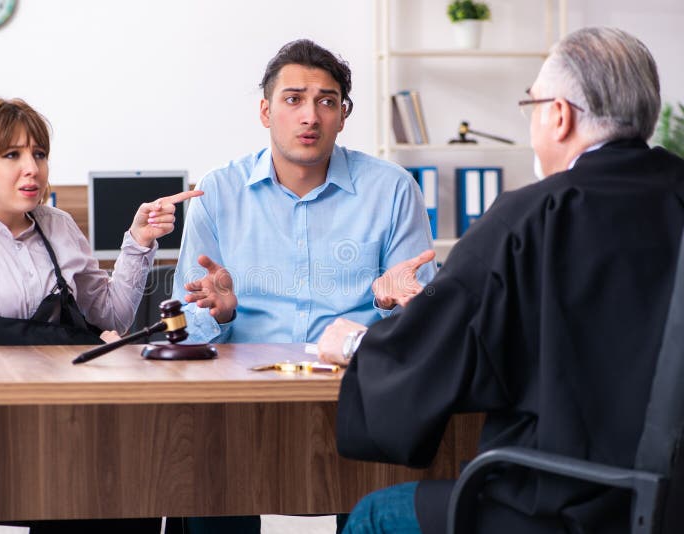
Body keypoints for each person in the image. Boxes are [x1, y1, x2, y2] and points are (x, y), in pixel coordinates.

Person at [317, 27, 684, 534]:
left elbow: (440, 360)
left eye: (530, 105)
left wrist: (355, 341)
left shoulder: (531, 217)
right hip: (673, 506)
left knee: (372, 517)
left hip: (558, 504)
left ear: (559, 115)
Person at [172, 39, 437, 533]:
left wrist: (389, 305)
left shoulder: (393, 189)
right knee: (200, 474)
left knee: (386, 498)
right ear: (265, 111)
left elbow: (422, 325)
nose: (310, 115)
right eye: (293, 99)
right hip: (240, 402)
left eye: (327, 101)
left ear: (343, 114)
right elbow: (188, 330)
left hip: (357, 395)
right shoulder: (217, 193)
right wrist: (222, 313)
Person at [0, 97, 200, 533]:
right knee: (92, 484)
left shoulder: (57, 225)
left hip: (70, 409)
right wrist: (82, 344)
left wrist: (137, 241)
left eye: (38, 154)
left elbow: (110, 314)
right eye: (12, 155)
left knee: (149, 473)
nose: (32, 168)